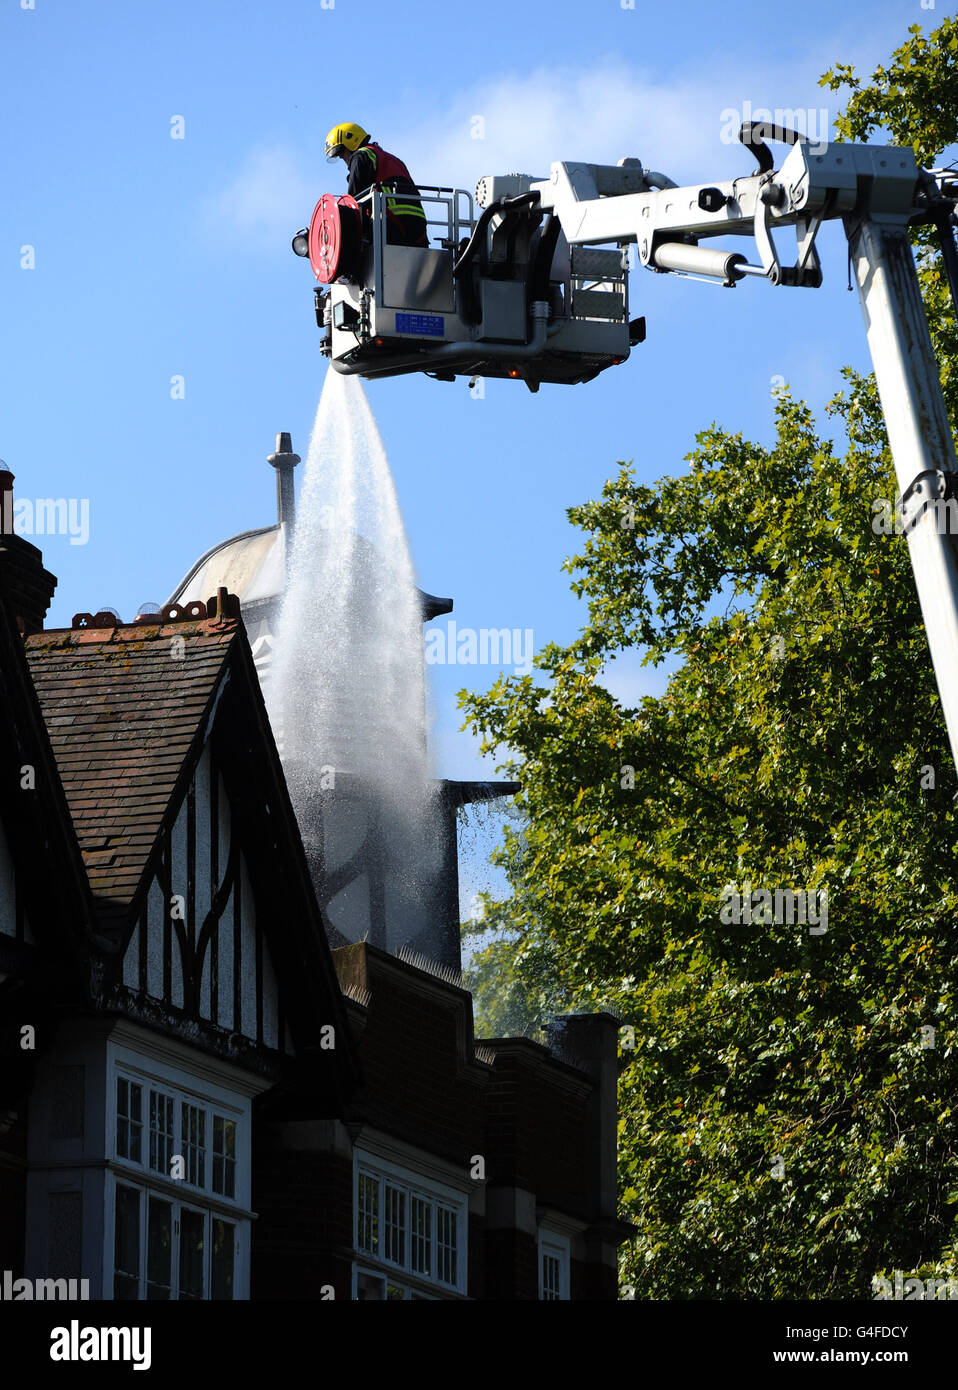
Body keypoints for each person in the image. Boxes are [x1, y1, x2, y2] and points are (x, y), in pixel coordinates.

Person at [325, 122, 429, 249]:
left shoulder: (360, 156)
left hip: (388, 222)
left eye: (342, 153)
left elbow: (354, 201)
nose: (343, 158)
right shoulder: (394, 160)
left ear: (351, 142)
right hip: (417, 226)